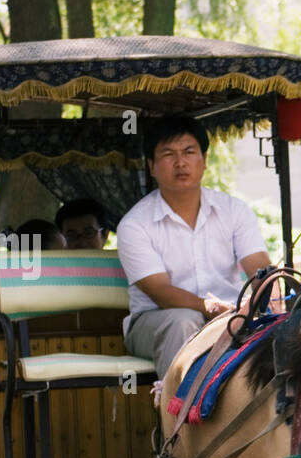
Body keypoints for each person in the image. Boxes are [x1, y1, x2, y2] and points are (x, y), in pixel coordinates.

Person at [116, 115, 272, 380]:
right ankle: (178, 416)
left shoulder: (234, 210)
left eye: (189, 152)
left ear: (204, 160)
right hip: (157, 321)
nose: (181, 163)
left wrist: (265, 302)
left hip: (229, 316)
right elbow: (162, 294)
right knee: (183, 320)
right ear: (151, 166)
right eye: (168, 155)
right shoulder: (134, 224)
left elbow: (261, 268)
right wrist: (215, 309)